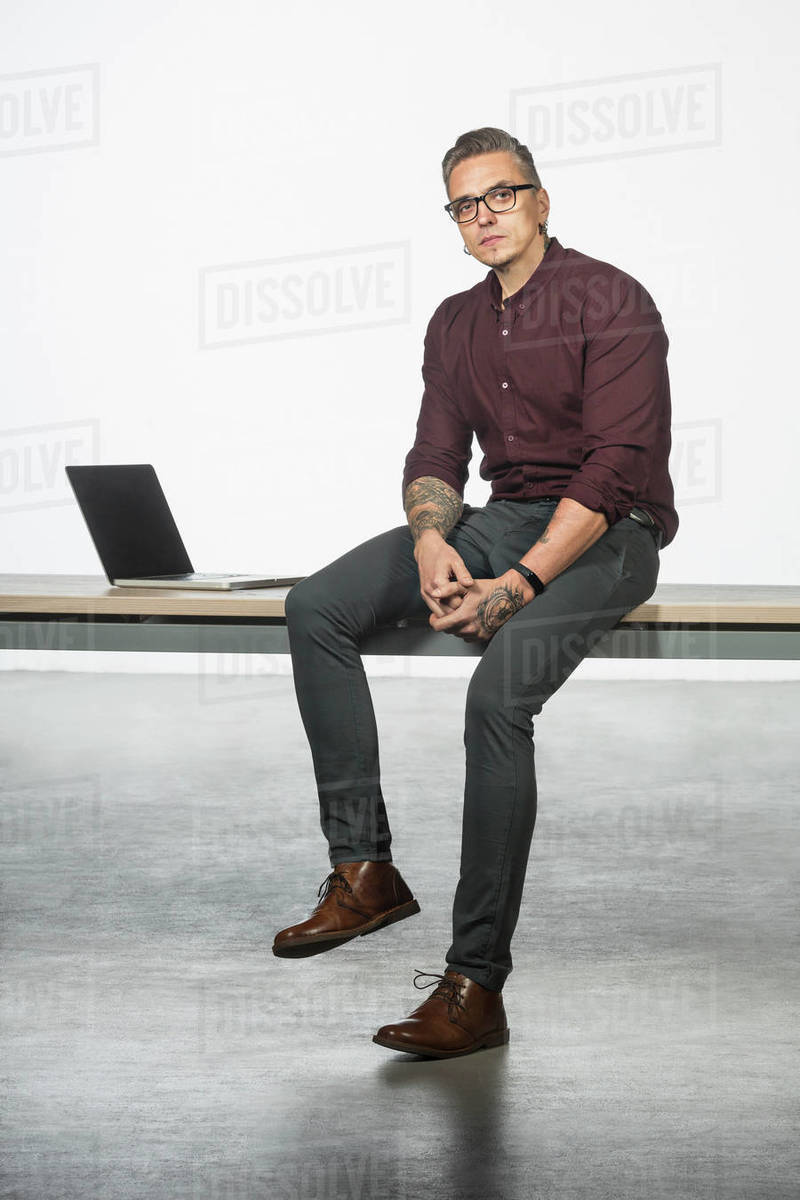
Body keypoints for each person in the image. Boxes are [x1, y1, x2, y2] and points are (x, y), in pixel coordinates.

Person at [273, 126, 678, 1059]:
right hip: (498, 515)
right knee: (315, 607)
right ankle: (364, 868)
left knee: (496, 696)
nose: (484, 215)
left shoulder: (610, 297)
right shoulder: (454, 322)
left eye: (502, 194)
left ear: (541, 200)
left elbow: (618, 466)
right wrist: (429, 540)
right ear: (453, 222)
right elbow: (435, 452)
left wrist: (520, 583)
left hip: (612, 535)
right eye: (465, 203)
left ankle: (474, 986)